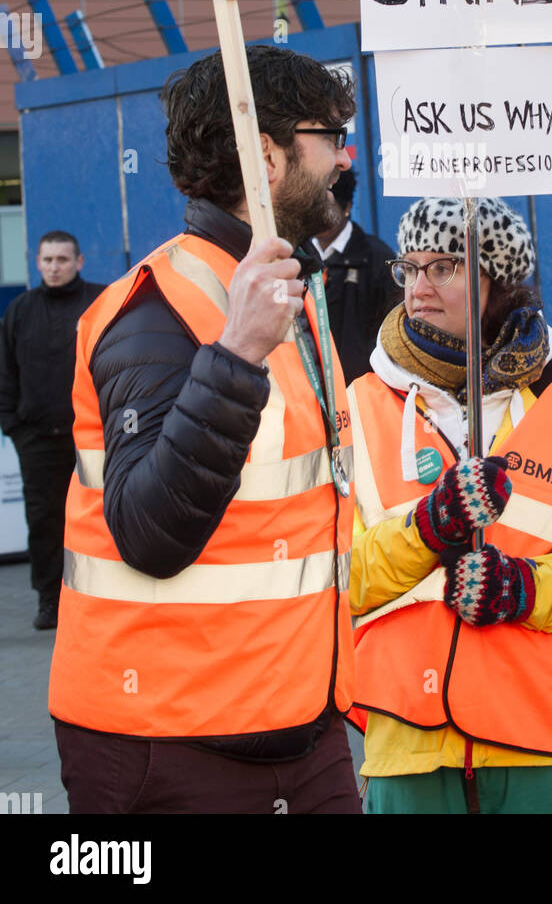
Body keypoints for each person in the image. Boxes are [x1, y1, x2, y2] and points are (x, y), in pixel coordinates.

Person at [49, 46, 360, 815]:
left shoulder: (287, 287)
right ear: (268, 155)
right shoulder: (157, 311)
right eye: (330, 136)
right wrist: (236, 354)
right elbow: (149, 532)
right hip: (169, 746)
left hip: (301, 727)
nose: (345, 157)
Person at [348, 195, 552, 815]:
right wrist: (426, 530)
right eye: (410, 268)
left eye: (445, 267)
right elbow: (334, 579)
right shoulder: (357, 406)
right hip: (408, 743)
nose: (420, 288)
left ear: (498, 280)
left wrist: (526, 589)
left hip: (545, 741)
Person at [0, 231, 104, 629]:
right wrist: (15, 427)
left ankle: (99, 600)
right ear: (37, 263)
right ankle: (51, 601)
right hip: (38, 441)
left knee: (100, 521)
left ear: (79, 262)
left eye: (62, 259)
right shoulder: (21, 311)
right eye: (47, 260)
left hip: (93, 440)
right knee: (45, 524)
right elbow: (6, 373)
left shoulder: (99, 302)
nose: (54, 267)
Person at [311, 166, 400, 385]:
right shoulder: (297, 256)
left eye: (327, 209)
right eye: (313, 207)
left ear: (347, 207)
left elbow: (390, 337)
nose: (318, 216)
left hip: (360, 393)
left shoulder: (378, 259)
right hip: (310, 392)